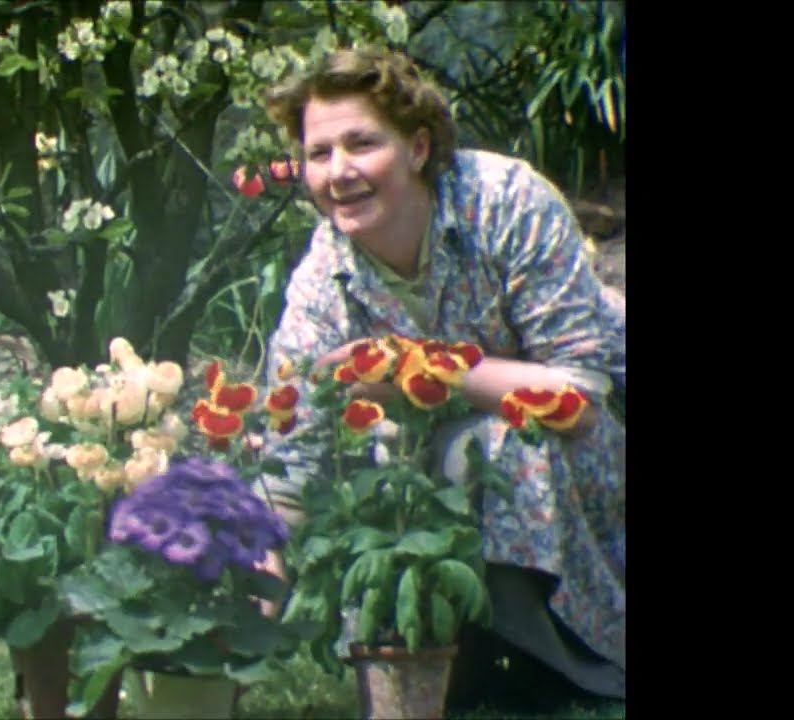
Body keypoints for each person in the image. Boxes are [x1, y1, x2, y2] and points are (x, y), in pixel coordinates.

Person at [253, 46, 626, 708]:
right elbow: (294, 447)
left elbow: (581, 397)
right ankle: (445, 658)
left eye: (362, 144)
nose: (338, 172)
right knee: (381, 471)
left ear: (418, 148)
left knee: (499, 446)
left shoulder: (507, 204)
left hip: (589, 442)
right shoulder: (323, 279)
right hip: (448, 469)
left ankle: (566, 662)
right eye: (319, 153)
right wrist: (258, 568)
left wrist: (422, 367)